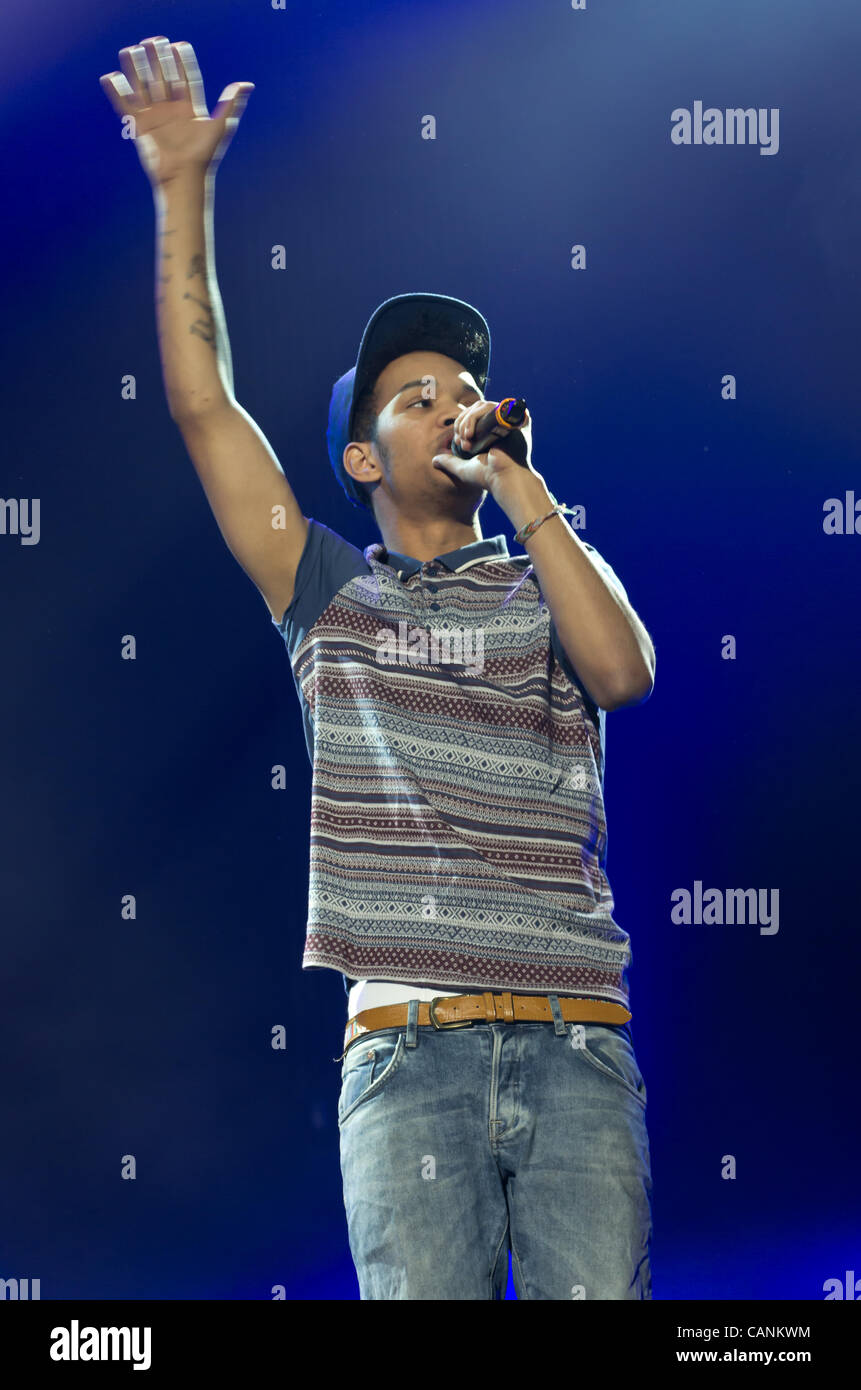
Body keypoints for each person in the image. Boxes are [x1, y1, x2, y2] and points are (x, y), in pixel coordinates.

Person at [100, 36, 657, 1301]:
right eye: (415, 397)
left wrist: (521, 483)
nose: (452, 405)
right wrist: (182, 188)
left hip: (579, 1048)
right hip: (407, 1054)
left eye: (465, 389)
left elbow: (623, 675)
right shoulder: (329, 594)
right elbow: (204, 409)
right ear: (360, 460)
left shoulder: (544, 578)